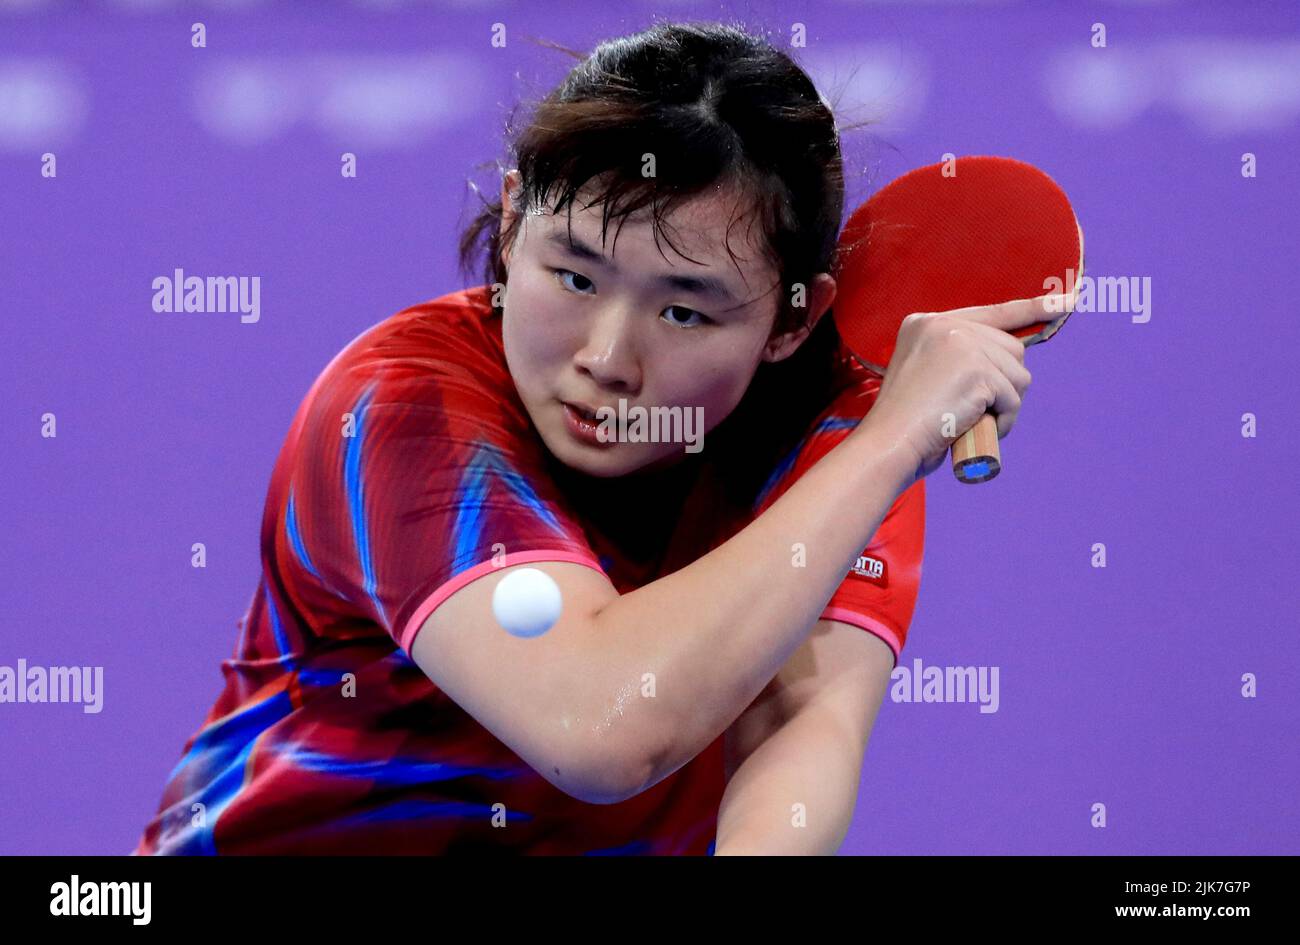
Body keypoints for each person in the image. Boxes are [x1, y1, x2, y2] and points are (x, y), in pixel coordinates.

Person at [134, 21, 1037, 856]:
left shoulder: (840, 435)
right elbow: (603, 730)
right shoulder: (399, 407)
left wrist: (876, 443)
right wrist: (894, 444)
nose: (607, 358)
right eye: (573, 276)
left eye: (684, 310)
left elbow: (802, 725)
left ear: (794, 321)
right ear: (517, 218)